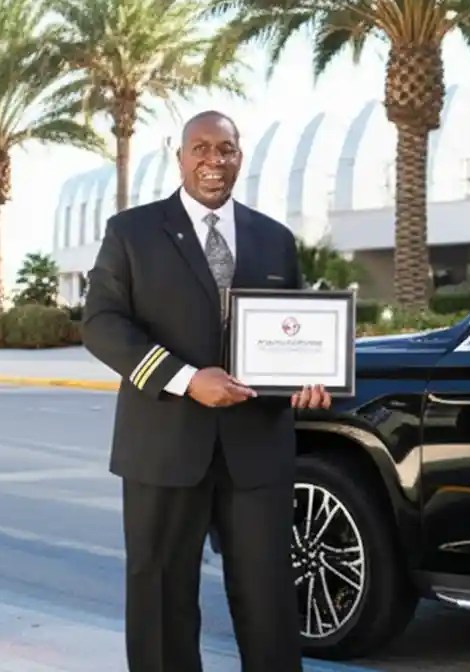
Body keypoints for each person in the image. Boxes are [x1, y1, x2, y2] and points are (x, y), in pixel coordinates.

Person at [82, 110, 330, 672]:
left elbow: (293, 333)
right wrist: (186, 379)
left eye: (226, 149)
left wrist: (307, 380)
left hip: (257, 450)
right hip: (164, 447)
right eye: (200, 149)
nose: (212, 161)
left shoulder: (274, 239)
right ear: (180, 157)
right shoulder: (133, 232)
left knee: (269, 602)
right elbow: (101, 323)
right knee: (162, 601)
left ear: (241, 156)